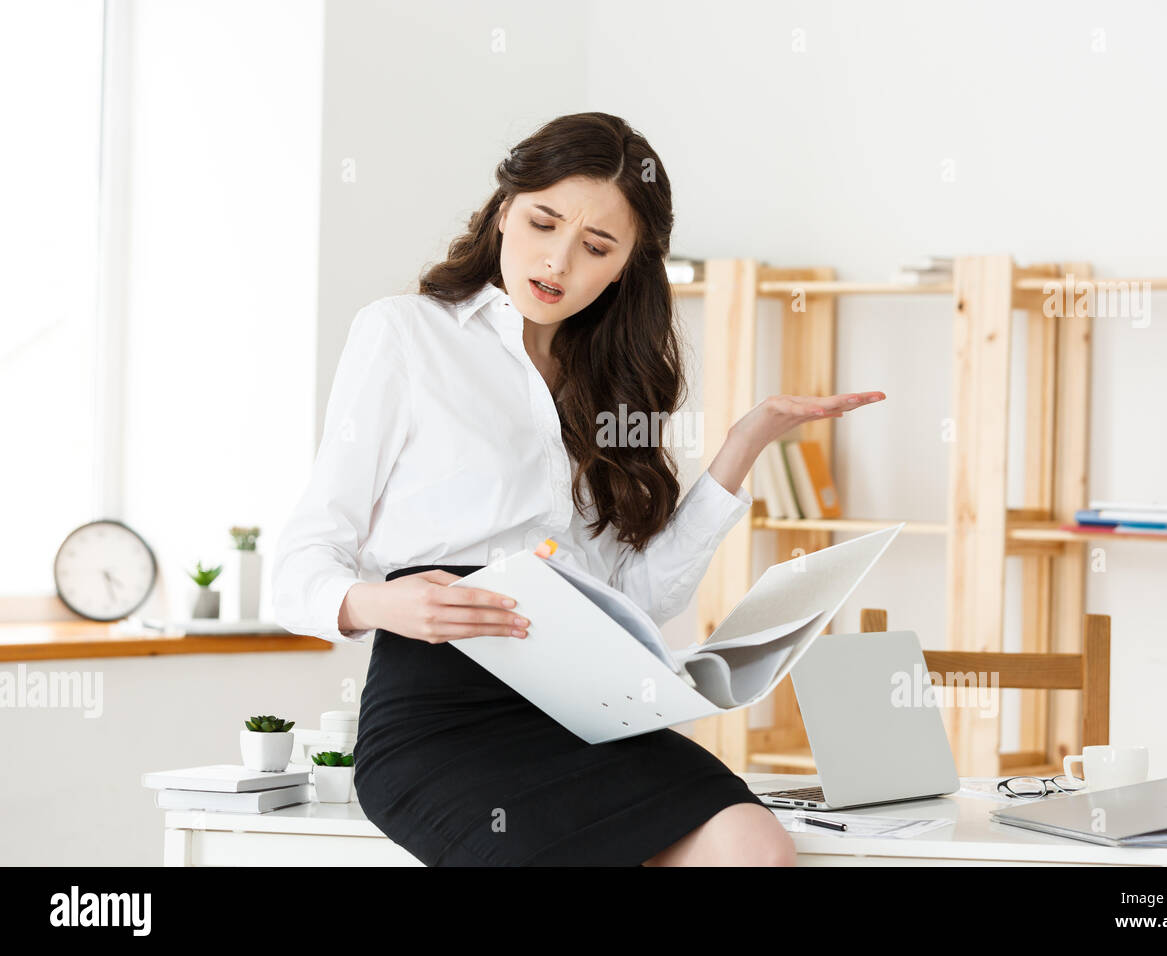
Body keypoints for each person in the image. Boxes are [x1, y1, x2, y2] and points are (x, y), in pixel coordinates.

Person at [271, 111, 885, 866]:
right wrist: (384, 603)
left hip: (590, 706)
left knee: (752, 844)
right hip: (443, 714)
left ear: (625, 266)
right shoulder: (403, 335)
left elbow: (642, 596)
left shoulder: (609, 387)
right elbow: (301, 560)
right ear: (503, 211)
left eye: (596, 246)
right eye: (543, 221)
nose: (557, 260)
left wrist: (741, 447)